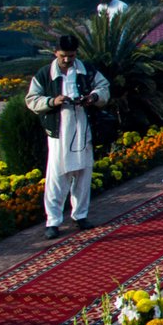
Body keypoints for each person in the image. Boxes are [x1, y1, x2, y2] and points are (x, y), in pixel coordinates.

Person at [25, 34, 111, 239]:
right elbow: (32, 99)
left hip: (83, 129)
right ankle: (53, 221)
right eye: (63, 55)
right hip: (59, 133)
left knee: (83, 173)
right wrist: (52, 101)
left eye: (71, 56)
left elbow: (103, 87)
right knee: (57, 177)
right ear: (56, 53)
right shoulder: (45, 74)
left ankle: (80, 215)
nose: (66, 59)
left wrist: (93, 97)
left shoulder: (87, 70)